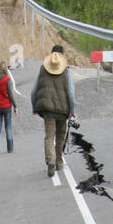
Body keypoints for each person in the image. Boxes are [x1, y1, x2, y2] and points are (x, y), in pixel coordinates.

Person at [30, 44, 76, 176]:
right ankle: (59, 162)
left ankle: (50, 161)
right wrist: (72, 110)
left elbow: (33, 91)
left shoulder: (42, 69)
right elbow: (71, 94)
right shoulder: (66, 71)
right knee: (60, 136)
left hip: (47, 110)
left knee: (49, 136)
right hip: (63, 111)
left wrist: (34, 107)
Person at [0, 62, 18, 155]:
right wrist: (15, 106)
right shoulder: (7, 79)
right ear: (5, 69)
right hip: (6, 106)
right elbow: (10, 94)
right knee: (8, 127)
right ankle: (10, 148)